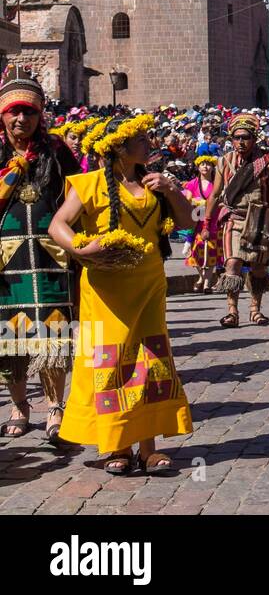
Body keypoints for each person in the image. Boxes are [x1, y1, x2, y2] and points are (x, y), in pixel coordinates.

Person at [49, 113, 193, 474]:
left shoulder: (155, 183)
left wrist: (173, 191)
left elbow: (189, 222)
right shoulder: (90, 184)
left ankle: (149, 447)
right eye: (142, 140)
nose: (149, 143)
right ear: (120, 149)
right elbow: (57, 225)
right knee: (112, 364)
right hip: (106, 290)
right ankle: (118, 446)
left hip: (149, 284)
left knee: (149, 361)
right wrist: (81, 250)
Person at [0, 75, 81, 441]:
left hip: (51, 257)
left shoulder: (57, 151)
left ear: (40, 115)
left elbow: (79, 196)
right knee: (11, 339)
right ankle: (19, 406)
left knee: (52, 336)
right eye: (14, 112)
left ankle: (55, 406)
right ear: (2, 116)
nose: (22, 120)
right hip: (6, 263)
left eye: (29, 112)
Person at [203, 113, 269, 327]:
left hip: (260, 220)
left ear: (254, 138)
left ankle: (255, 310)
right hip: (235, 218)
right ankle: (232, 312)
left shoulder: (267, 162)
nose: (240, 142)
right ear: (231, 139)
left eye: (245, 137)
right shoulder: (224, 162)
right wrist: (207, 223)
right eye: (236, 137)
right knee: (232, 263)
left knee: (258, 267)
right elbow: (215, 194)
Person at [183, 155, 222, 293]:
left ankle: (206, 283)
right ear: (198, 167)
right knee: (196, 252)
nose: (205, 167)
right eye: (202, 164)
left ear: (212, 167)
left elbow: (222, 200)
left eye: (208, 164)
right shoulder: (192, 183)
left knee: (210, 252)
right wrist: (195, 202)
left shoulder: (218, 183)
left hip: (213, 220)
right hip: (196, 220)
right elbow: (187, 199)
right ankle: (201, 277)